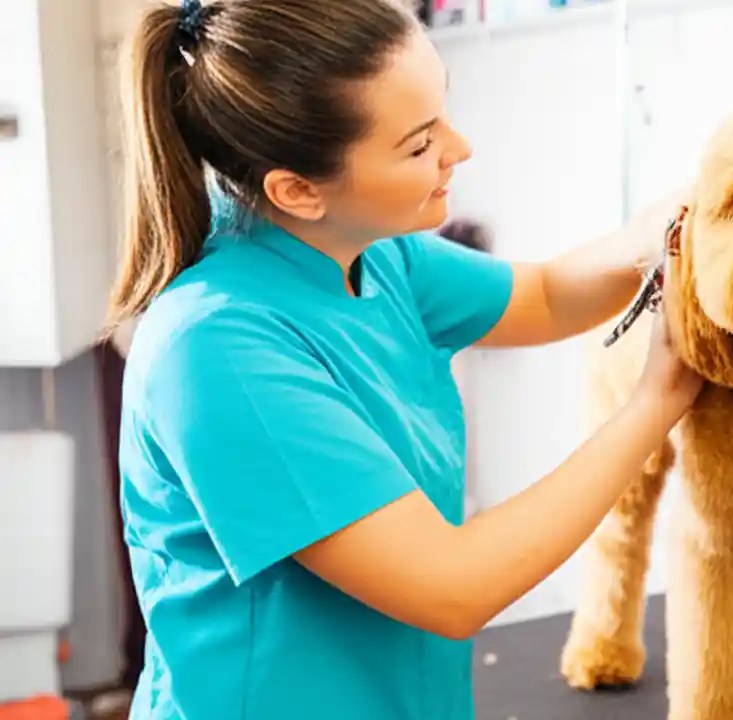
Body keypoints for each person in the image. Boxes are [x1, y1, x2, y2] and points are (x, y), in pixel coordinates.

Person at [106, 1, 702, 718]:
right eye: (420, 145)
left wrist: (680, 223)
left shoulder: (369, 251)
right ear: (296, 189)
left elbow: (545, 295)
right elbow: (455, 587)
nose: (460, 147)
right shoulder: (214, 350)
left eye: (442, 112)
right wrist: (654, 402)